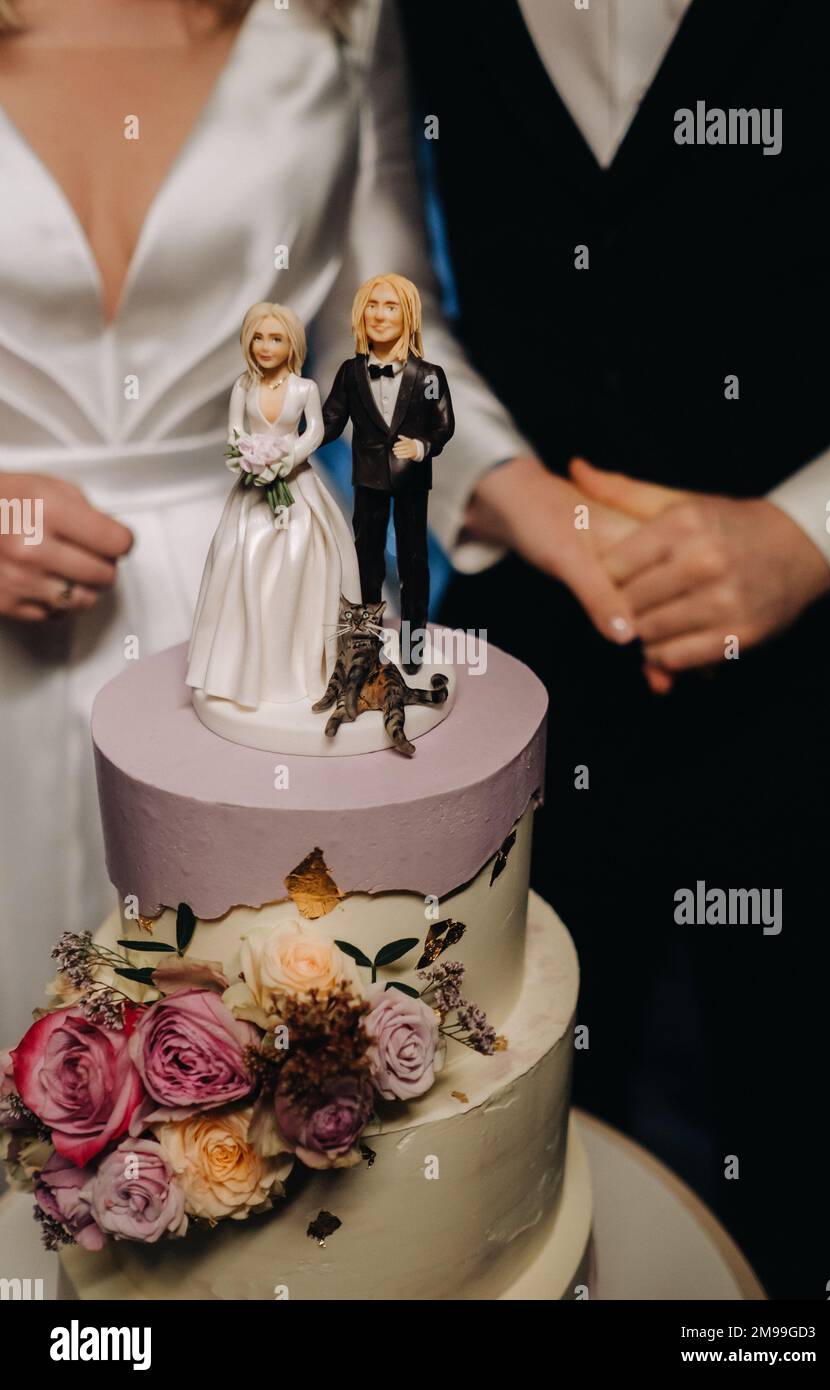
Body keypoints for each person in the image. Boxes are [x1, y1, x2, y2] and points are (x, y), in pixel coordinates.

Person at [398, 0, 830, 1297]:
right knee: (490, 1146)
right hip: (525, 667)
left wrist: (814, 531)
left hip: (828, 672)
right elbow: (375, 285)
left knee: (817, 1147)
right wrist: (522, 495)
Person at [0, 0, 537, 1040]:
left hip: (259, 608)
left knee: (275, 1054)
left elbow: (389, 335)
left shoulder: (339, 14)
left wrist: (558, 517)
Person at [186, 302, 361, 707]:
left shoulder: (305, 389)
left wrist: (286, 459)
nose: (266, 346)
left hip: (296, 488)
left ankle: (298, 665)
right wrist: (244, 456)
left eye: (276, 338)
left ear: (292, 343)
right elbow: (234, 432)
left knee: (302, 561)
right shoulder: (243, 387)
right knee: (238, 557)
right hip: (252, 492)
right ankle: (240, 668)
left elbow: (315, 431)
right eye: (259, 337)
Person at [321, 273, 455, 669]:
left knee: (414, 564)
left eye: (390, 306)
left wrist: (423, 446)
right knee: (367, 563)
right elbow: (332, 418)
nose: (380, 315)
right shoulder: (350, 372)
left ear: (408, 315)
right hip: (367, 479)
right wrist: (301, 443)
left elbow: (444, 425)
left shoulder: (429, 375)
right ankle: (368, 646)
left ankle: (414, 651)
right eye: (373, 306)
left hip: (412, 480)